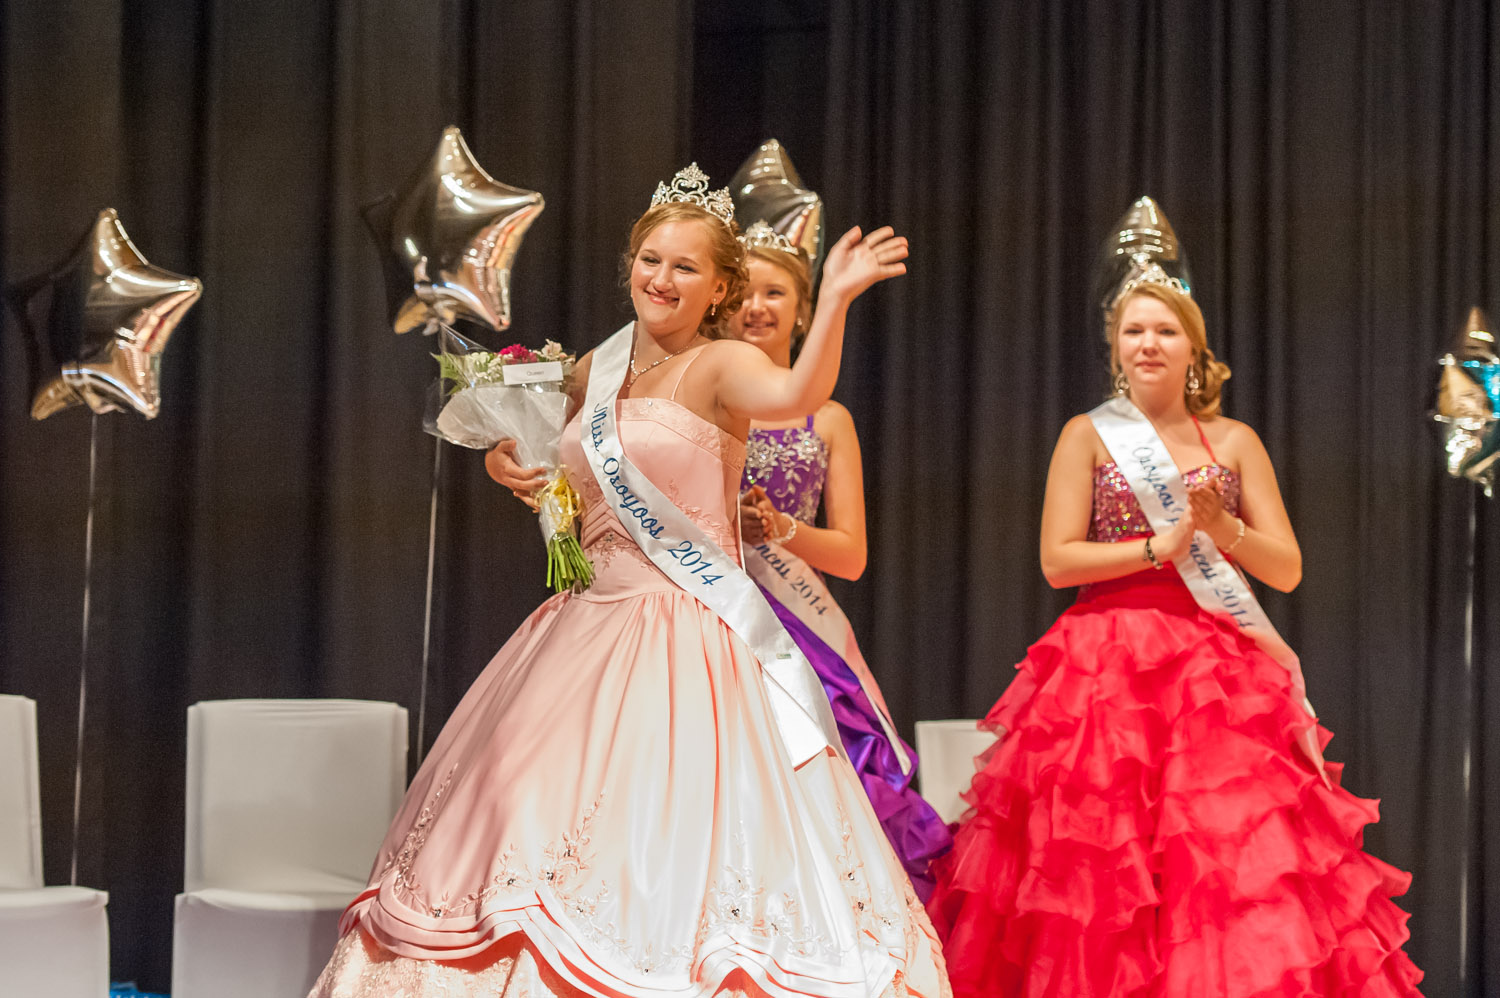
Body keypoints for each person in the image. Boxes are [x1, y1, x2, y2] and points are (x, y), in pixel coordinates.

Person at [310, 165, 949, 998]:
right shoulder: (594, 369)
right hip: (583, 630)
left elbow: (799, 391)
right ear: (630, 263)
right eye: (651, 259)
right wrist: (520, 468)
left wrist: (833, 300)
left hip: (692, 638)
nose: (662, 279)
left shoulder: (723, 364)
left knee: (681, 849)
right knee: (525, 830)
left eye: (686, 267)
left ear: (719, 285)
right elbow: (558, 472)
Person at [925, 279, 1423, 997]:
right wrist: (1157, 548)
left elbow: (1286, 569)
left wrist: (1224, 530)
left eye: (1163, 331)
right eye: (1133, 332)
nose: (1148, 344)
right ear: (1115, 349)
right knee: (1094, 867)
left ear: (1193, 348)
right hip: (1102, 669)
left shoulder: (1234, 441)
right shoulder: (1087, 434)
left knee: (1224, 865)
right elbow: (1059, 559)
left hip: (1214, 675)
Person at [728, 220, 951, 898]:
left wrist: (778, 529)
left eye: (775, 293)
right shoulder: (700, 405)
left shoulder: (827, 419)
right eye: (743, 291)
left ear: (804, 309)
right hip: (705, 616)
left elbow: (850, 555)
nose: (757, 307)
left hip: (800, 638)